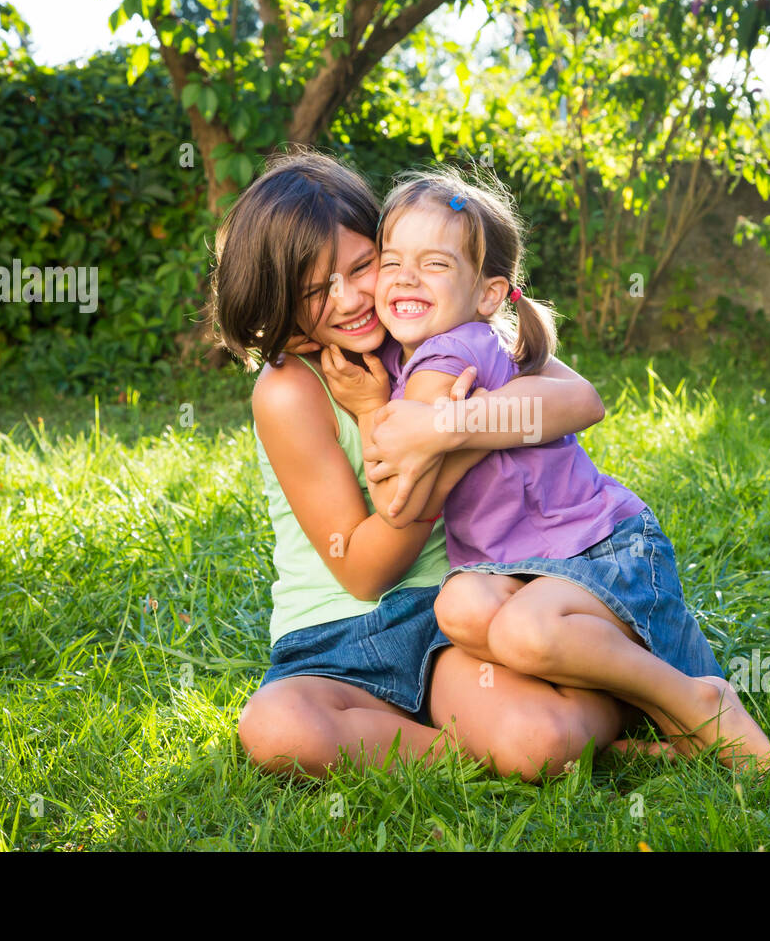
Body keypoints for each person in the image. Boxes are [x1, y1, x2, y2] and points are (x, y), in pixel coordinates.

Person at [336, 166, 770, 770]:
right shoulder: (429, 345)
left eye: (435, 264)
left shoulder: (446, 356)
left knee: (522, 634)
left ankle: (697, 700)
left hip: (592, 551)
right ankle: (636, 710)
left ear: (489, 293)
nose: (407, 277)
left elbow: (399, 503)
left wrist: (369, 410)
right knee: (460, 606)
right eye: (392, 261)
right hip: (521, 570)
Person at [214, 150, 628, 781]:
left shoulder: (434, 330)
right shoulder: (288, 390)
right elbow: (363, 572)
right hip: (331, 643)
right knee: (275, 728)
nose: (351, 298)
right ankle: (467, 748)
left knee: (543, 739)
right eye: (315, 289)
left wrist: (448, 427)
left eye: (362, 267)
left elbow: (578, 400)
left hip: (445, 622)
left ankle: (501, 729)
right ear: (277, 297)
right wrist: (432, 441)